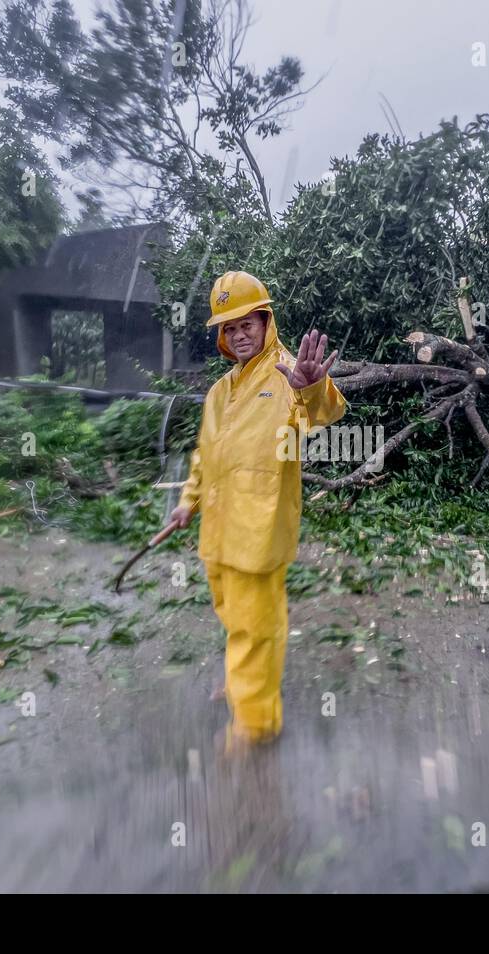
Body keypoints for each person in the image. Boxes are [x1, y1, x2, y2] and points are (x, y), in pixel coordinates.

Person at [161, 271, 346, 752]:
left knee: (255, 630)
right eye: (230, 327)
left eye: (249, 323)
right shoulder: (221, 391)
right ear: (222, 337)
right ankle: (245, 684)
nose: (240, 334)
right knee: (232, 615)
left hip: (259, 531)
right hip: (219, 531)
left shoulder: (287, 372)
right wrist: (187, 503)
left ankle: (256, 723)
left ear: (268, 322)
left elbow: (322, 415)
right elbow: (206, 454)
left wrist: (312, 387)